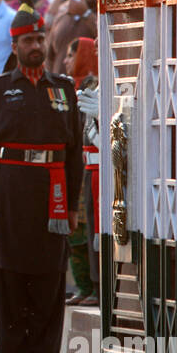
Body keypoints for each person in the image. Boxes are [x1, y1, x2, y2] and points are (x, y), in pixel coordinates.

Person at [0, 0, 81, 353]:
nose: (35, 45)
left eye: (40, 38)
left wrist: (73, 205)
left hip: (53, 193)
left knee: (50, 281)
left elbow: (74, 153)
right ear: (15, 45)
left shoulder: (64, 90)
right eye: (27, 40)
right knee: (13, 280)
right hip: (12, 192)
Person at [64, 36, 99, 305]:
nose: (66, 61)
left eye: (71, 55)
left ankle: (97, 287)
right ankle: (83, 286)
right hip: (75, 169)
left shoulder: (95, 86)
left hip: (93, 169)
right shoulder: (66, 89)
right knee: (75, 233)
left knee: (93, 230)